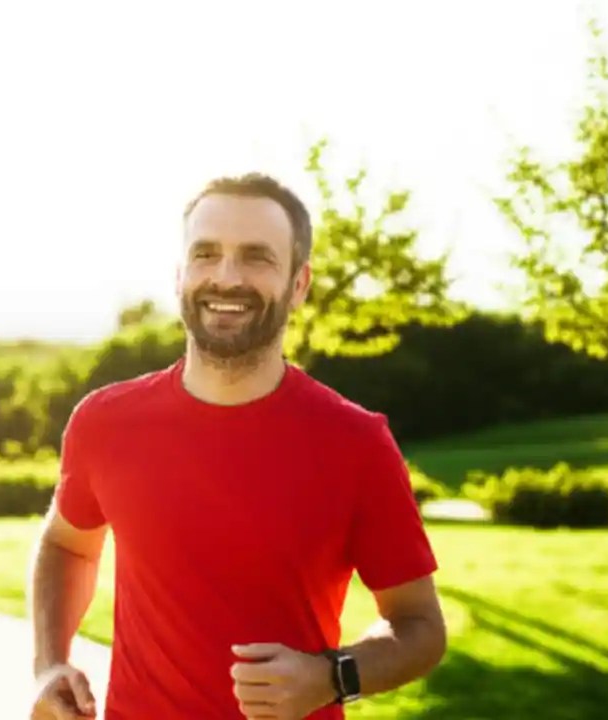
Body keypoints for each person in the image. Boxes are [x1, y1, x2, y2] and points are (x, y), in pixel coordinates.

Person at [27, 172, 446, 719]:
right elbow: (68, 545)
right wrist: (49, 663)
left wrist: (330, 676)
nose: (226, 278)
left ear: (299, 284)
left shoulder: (356, 441)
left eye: (257, 258)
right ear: (180, 274)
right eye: (206, 254)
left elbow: (419, 626)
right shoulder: (104, 422)